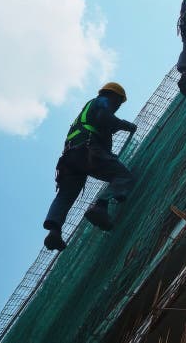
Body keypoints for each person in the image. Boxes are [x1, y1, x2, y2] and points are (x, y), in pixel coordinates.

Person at [43, 82, 137, 251]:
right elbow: (104, 118)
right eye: (118, 103)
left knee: (65, 196)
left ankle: (54, 232)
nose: (116, 107)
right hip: (86, 151)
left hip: (70, 159)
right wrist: (125, 125)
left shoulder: (87, 110)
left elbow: (100, 124)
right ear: (114, 96)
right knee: (123, 176)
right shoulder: (102, 101)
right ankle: (100, 206)